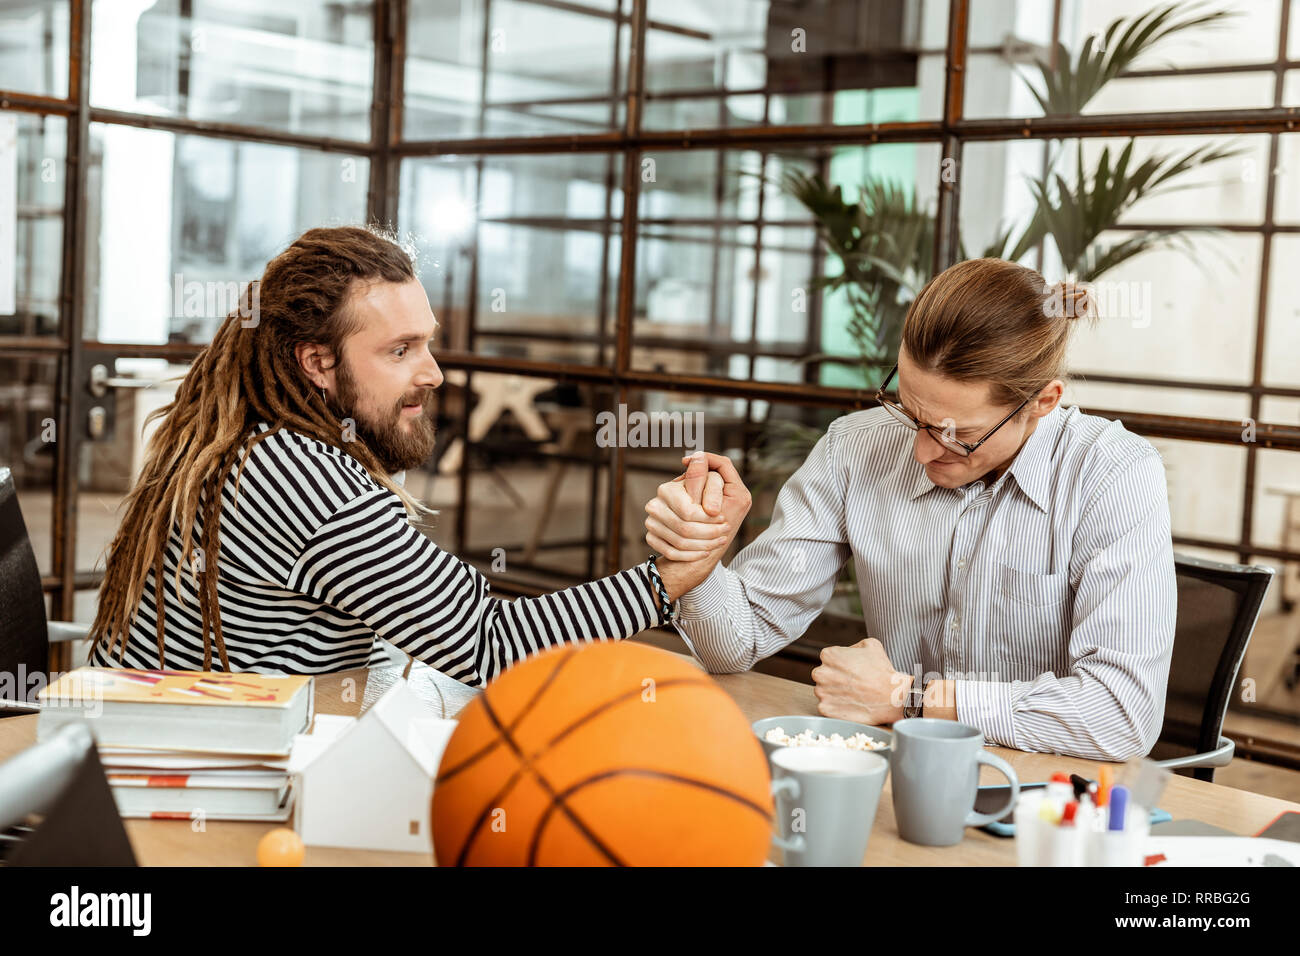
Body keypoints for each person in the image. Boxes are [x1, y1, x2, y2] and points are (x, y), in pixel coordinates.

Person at [89, 226, 739, 681]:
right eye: (400, 351)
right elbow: (489, 643)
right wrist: (670, 579)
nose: (434, 374)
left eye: (426, 343)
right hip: (186, 800)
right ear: (317, 361)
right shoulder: (304, 479)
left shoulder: (249, 439)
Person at [645, 257, 1177, 761]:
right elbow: (739, 643)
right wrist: (696, 563)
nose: (921, 451)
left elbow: (1122, 713)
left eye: (957, 436)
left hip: (1041, 797)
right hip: (889, 773)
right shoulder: (855, 448)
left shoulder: (1113, 473)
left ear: (1041, 401)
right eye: (908, 412)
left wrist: (910, 697)